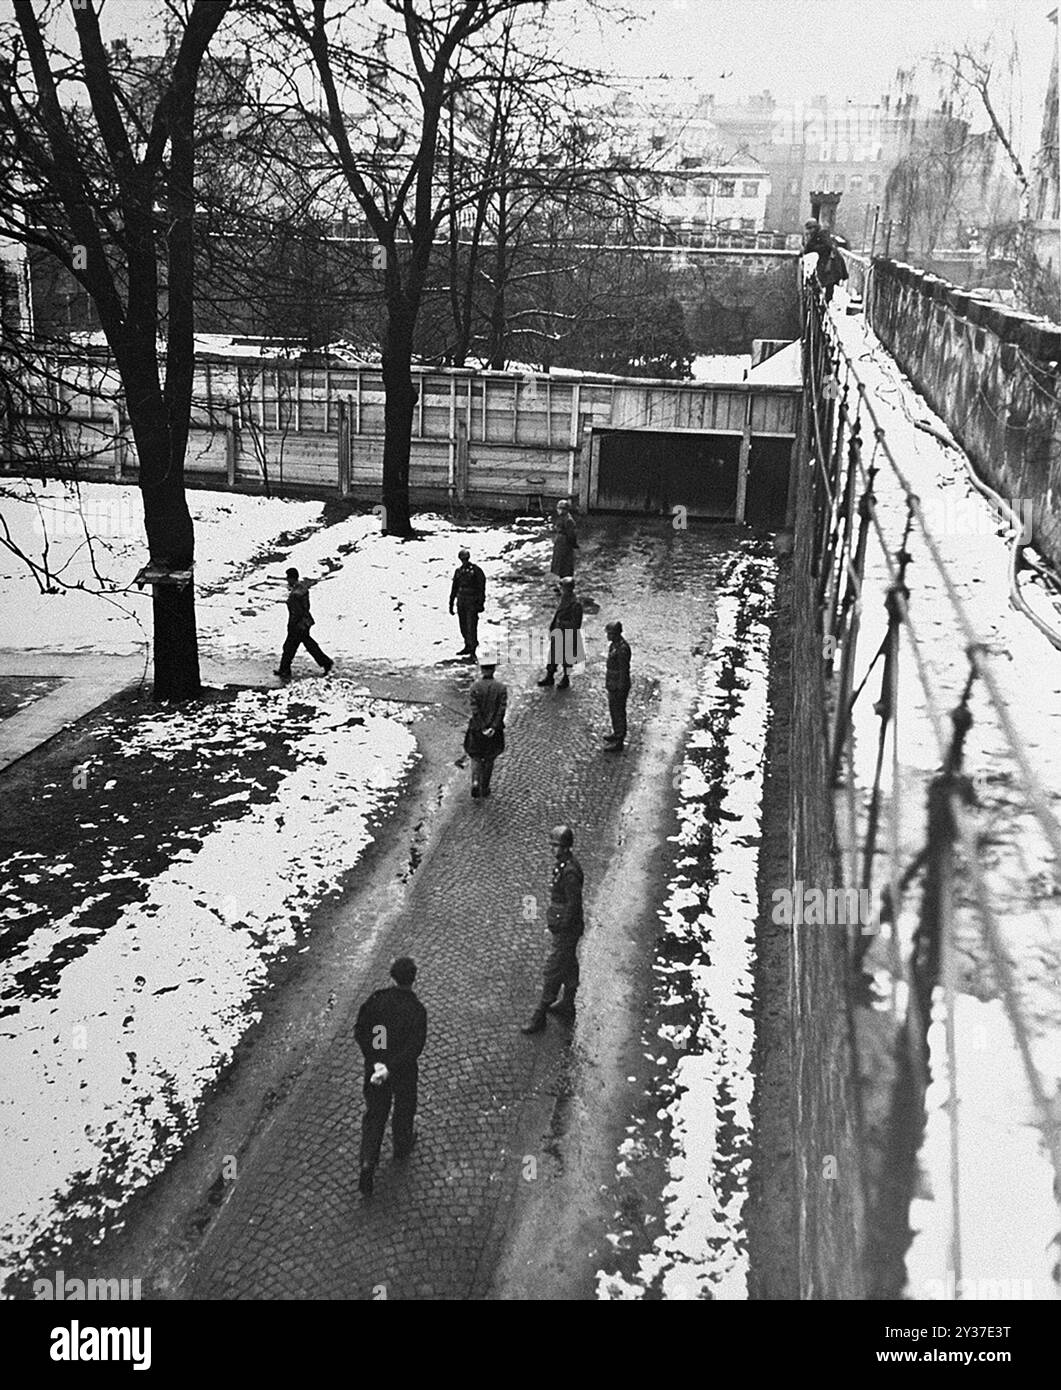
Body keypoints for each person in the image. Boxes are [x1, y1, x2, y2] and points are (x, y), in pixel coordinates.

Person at [354, 957, 428, 1197]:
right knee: (404, 1108)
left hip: (375, 1069)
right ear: (413, 978)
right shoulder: (416, 1010)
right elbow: (414, 1047)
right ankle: (401, 1145)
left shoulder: (378, 1001)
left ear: (392, 976)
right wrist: (391, 1068)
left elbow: (362, 1031)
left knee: (375, 1114)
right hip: (402, 1072)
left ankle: (368, 1162)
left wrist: (376, 1062)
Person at [521, 825, 585, 1034]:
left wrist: (562, 927)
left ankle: (540, 1016)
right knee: (568, 963)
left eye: (556, 846)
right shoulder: (564, 865)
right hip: (565, 927)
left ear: (566, 847)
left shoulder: (570, 873)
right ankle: (568, 1003)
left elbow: (573, 905)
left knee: (553, 970)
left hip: (567, 929)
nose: (553, 850)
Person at [274, 567, 332, 680]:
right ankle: (326, 662)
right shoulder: (301, 588)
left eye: (288, 578)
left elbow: (297, 612)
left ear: (291, 578)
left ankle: (284, 670)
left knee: (289, 647)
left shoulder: (296, 594)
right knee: (309, 645)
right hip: (305, 623)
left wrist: (292, 626)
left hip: (298, 625)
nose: (287, 580)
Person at [464, 655, 507, 798]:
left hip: (476, 729)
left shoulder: (475, 687)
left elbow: (475, 710)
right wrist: (493, 727)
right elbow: (501, 709)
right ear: (494, 669)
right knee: (489, 759)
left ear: (481, 669)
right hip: (495, 732)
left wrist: (482, 726)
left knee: (476, 756)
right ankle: (485, 786)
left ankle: (475, 781)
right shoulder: (501, 688)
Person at [537, 577, 583, 690]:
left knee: (567, 660)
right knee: (552, 656)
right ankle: (550, 677)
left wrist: (562, 624)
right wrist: (553, 626)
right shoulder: (564, 599)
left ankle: (566, 679)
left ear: (567, 588)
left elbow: (576, 624)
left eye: (562, 587)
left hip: (568, 635)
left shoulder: (575, 604)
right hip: (558, 633)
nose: (561, 589)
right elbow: (557, 614)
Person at [448, 548, 486, 661]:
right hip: (461, 601)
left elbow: (481, 587)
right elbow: (454, 588)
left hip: (472, 601)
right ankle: (467, 645)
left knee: (471, 625)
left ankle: (473, 648)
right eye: (462, 559)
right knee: (463, 625)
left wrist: (481, 602)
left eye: (465, 558)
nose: (463, 561)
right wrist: (451, 602)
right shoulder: (458, 571)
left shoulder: (476, 570)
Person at [803, 218, 848, 305]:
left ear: (814, 228)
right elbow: (807, 249)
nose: (809, 231)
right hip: (825, 261)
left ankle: (827, 303)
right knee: (824, 281)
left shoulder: (822, 234)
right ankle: (821, 302)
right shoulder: (814, 236)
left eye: (810, 228)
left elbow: (827, 246)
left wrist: (813, 247)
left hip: (831, 262)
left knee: (829, 282)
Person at [603, 620, 631, 751]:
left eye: (609, 633)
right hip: (612, 683)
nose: (607, 636)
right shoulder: (614, 645)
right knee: (614, 710)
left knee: (619, 711)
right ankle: (616, 733)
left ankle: (619, 740)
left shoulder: (622, 649)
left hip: (619, 685)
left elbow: (623, 670)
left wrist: (621, 687)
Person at [550, 499, 579, 578]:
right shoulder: (562, 517)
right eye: (558, 508)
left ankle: (565, 580)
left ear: (565, 510)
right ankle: (561, 578)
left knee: (565, 562)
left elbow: (571, 534)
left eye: (560, 509)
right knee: (559, 562)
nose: (558, 511)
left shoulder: (569, 520)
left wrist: (573, 544)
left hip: (565, 542)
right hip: (560, 542)